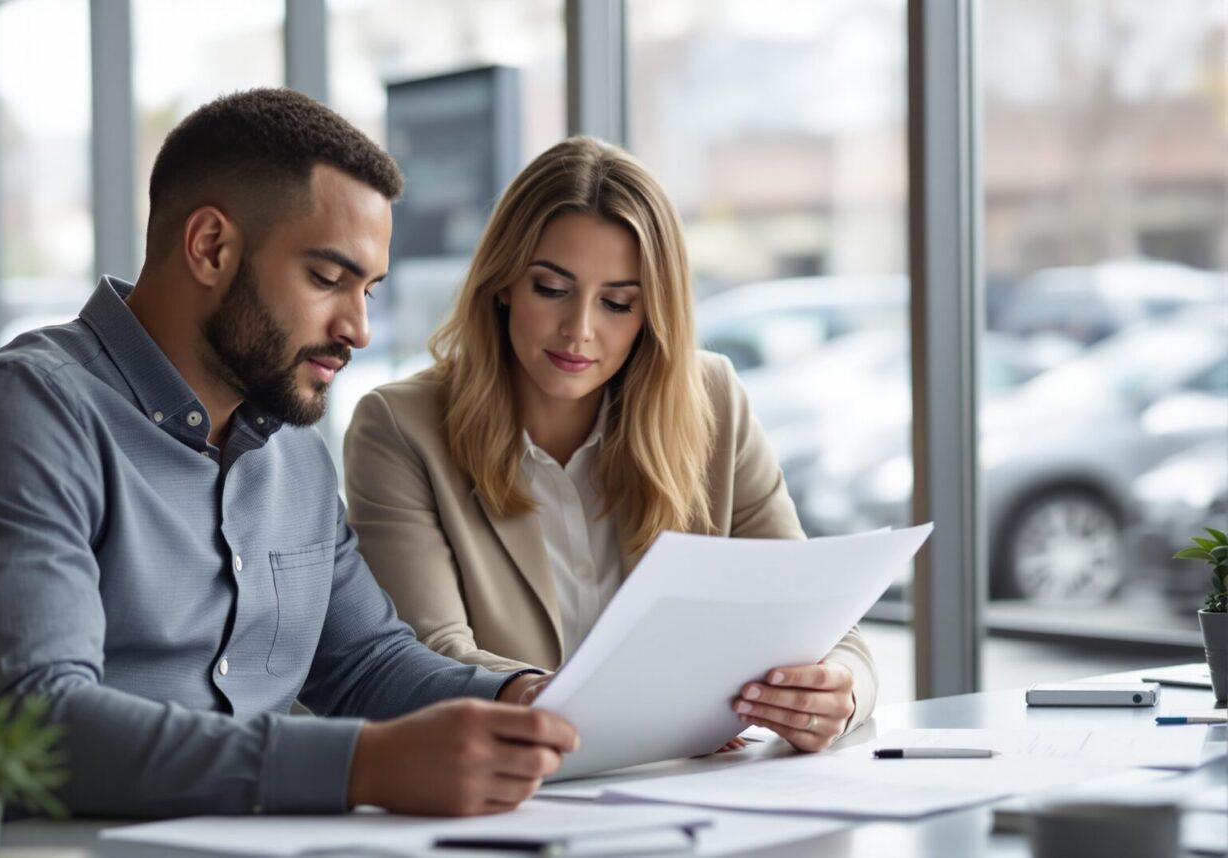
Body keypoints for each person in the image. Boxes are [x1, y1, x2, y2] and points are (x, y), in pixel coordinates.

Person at [0, 88, 575, 821]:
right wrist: (358, 766)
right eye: (329, 279)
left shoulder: (293, 451)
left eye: (369, 289)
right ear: (211, 247)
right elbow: (41, 721)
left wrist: (529, 700)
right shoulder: (21, 414)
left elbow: (366, 663)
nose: (360, 328)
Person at [343, 137, 876, 753]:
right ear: (503, 282)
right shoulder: (401, 426)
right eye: (551, 288)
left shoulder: (714, 401)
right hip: (511, 797)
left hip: (694, 801)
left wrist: (840, 692)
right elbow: (426, 660)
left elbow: (819, 623)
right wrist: (640, 712)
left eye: (618, 302)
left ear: (653, 313)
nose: (580, 330)